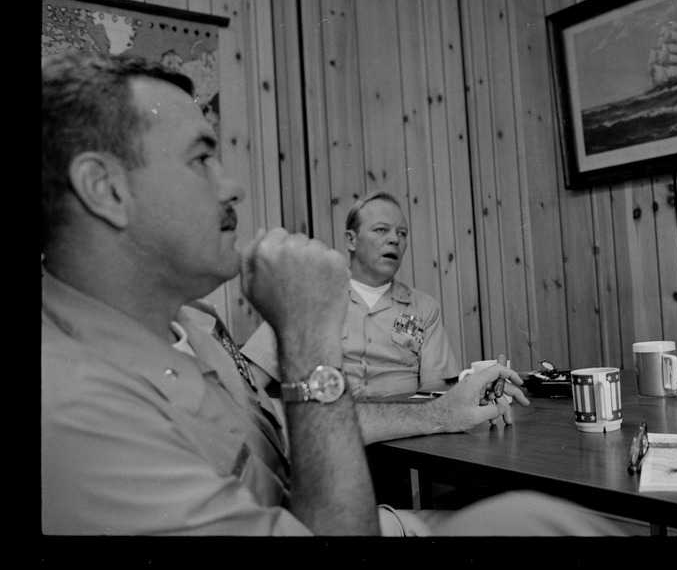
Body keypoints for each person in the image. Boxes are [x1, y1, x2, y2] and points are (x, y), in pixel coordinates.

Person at [42, 49, 625, 537]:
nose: (233, 186)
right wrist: (308, 333)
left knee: (541, 519)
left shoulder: (191, 325)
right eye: (201, 158)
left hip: (338, 511)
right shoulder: (73, 410)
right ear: (105, 189)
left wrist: (446, 411)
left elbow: (290, 430)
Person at [241, 191, 520, 443]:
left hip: (407, 438)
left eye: (402, 233)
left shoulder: (424, 308)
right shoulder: (307, 299)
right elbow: (246, 383)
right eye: (381, 230)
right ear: (351, 240)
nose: (394, 240)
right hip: (331, 436)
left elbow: (436, 389)